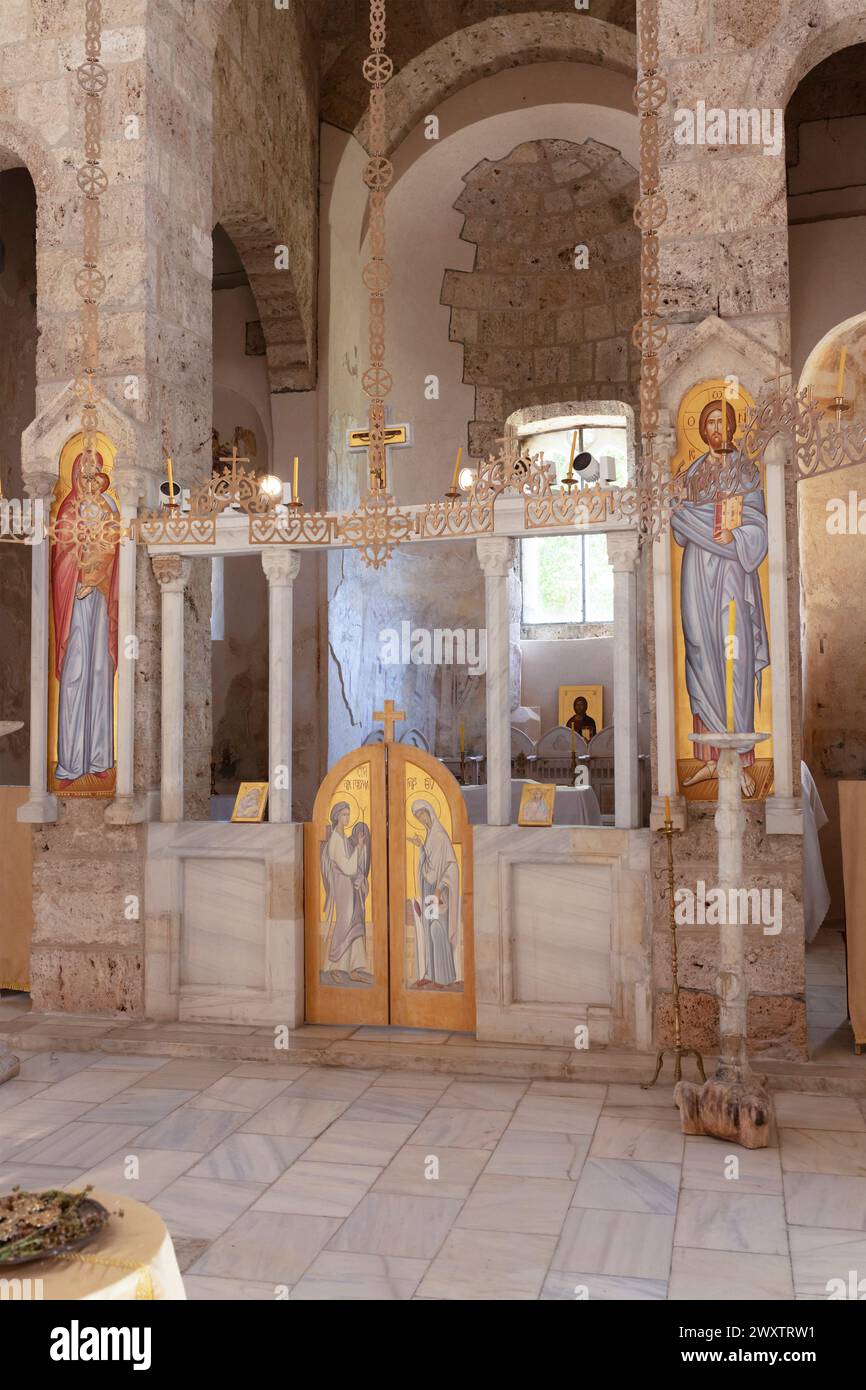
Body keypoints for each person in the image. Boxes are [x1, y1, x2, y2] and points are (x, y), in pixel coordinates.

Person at [671, 399, 769, 798]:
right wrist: (682, 509)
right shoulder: (690, 474)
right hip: (695, 572)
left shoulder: (746, 471)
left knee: (735, 657)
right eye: (708, 421)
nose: (715, 427)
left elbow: (759, 525)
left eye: (721, 421)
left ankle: (741, 759)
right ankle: (711, 760)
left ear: (731, 427)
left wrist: (736, 537)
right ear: (701, 429)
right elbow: (677, 527)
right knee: (700, 651)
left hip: (731, 573)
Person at [52, 450, 119, 787]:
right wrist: (79, 575)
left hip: (102, 597)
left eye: (96, 474)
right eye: (85, 474)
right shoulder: (67, 510)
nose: (91, 481)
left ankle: (98, 758)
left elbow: (116, 549)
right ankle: (69, 760)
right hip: (75, 601)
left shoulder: (110, 509)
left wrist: (95, 577)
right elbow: (61, 556)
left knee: (99, 670)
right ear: (76, 475)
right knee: (76, 673)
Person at [410, 799, 460, 989]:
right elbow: (429, 865)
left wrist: (440, 888)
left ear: (429, 811)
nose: (421, 819)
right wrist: (420, 847)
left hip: (439, 893)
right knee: (429, 930)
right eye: (417, 816)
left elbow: (451, 866)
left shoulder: (440, 835)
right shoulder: (429, 835)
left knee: (438, 930)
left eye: (422, 814)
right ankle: (431, 973)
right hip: (429, 891)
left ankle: (444, 976)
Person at [320, 803, 371, 983]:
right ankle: (334, 965)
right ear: (336, 817)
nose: (347, 818)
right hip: (343, 887)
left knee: (356, 921)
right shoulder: (335, 839)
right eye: (343, 815)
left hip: (352, 887)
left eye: (348, 815)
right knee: (345, 921)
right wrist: (358, 847)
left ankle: (354, 967)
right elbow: (348, 868)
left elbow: (354, 866)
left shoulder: (343, 837)